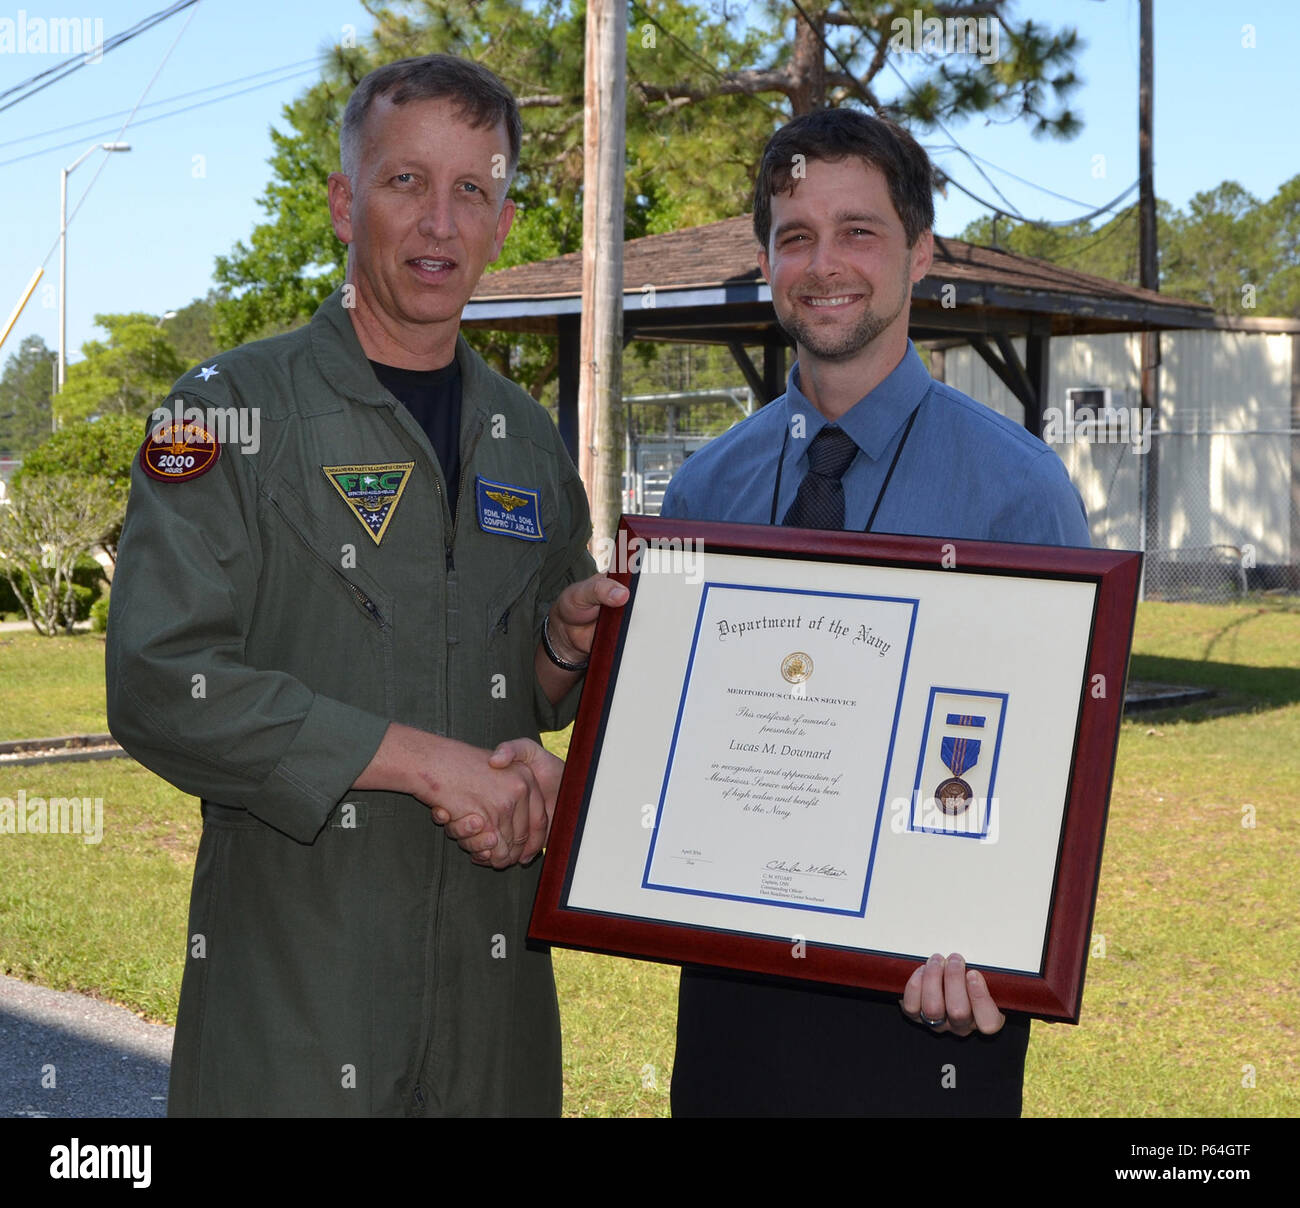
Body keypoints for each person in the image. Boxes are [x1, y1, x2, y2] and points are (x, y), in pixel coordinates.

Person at [106, 54, 623, 1117]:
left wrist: (561, 647)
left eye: (470, 190)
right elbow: (162, 681)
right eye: (405, 182)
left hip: (494, 1016)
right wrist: (427, 766)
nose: (439, 221)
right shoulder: (223, 414)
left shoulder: (527, 439)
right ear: (346, 204)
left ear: (502, 223)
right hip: (297, 1000)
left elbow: (529, 698)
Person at [659, 108, 1091, 1117]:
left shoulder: (1018, 493)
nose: (824, 264)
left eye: (858, 231)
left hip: (932, 1003)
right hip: (734, 1002)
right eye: (795, 236)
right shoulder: (703, 492)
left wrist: (999, 936)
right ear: (766, 262)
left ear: (919, 255)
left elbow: (1055, 769)